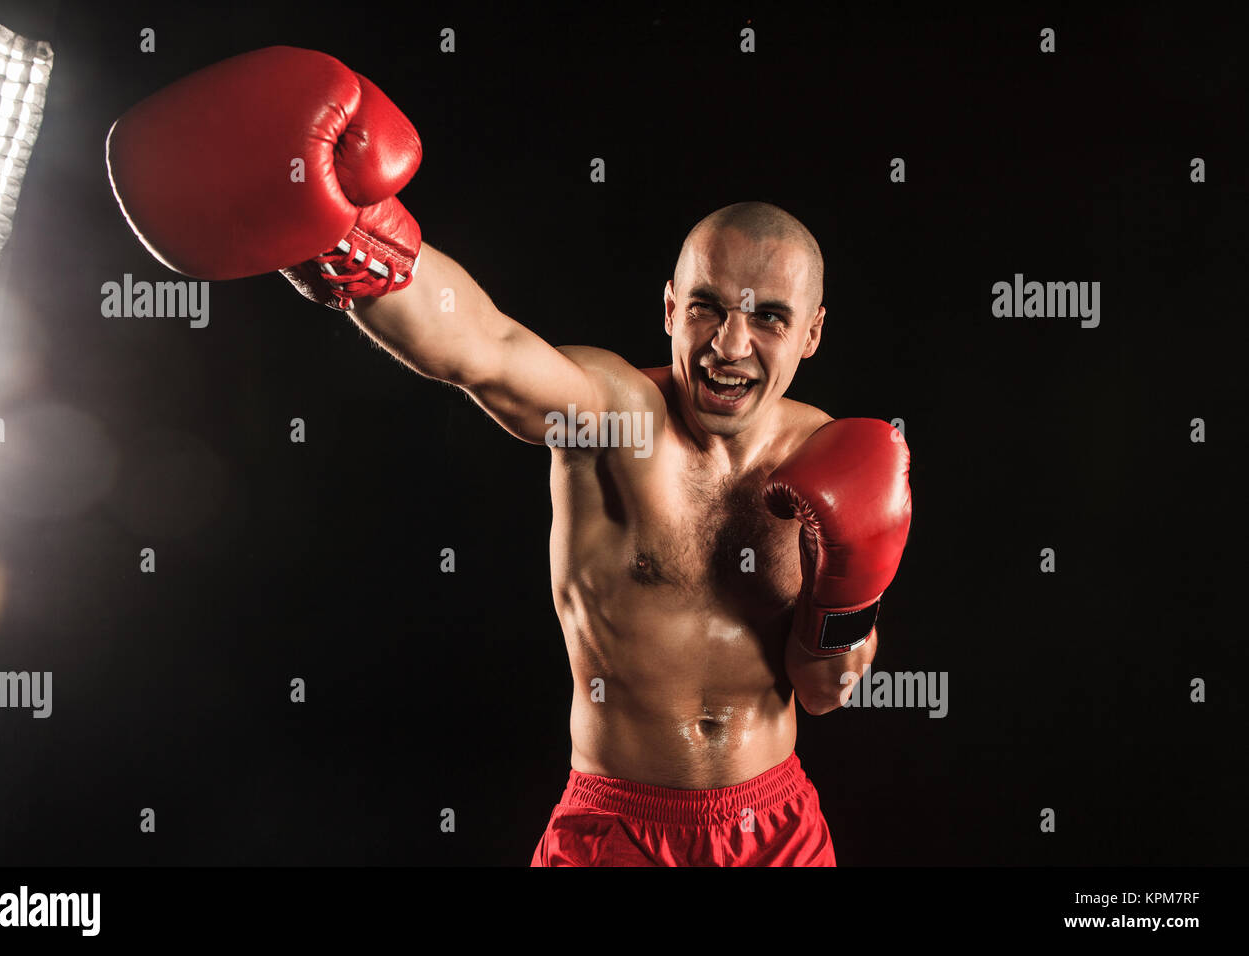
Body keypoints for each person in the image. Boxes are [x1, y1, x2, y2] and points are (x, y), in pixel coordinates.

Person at [107, 46, 912, 867]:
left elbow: (820, 691)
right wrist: (347, 232)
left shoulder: (833, 456)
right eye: (705, 308)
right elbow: (483, 348)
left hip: (777, 828)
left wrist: (852, 597)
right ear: (670, 307)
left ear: (810, 334)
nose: (729, 346)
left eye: (769, 319)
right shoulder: (614, 416)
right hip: (618, 831)